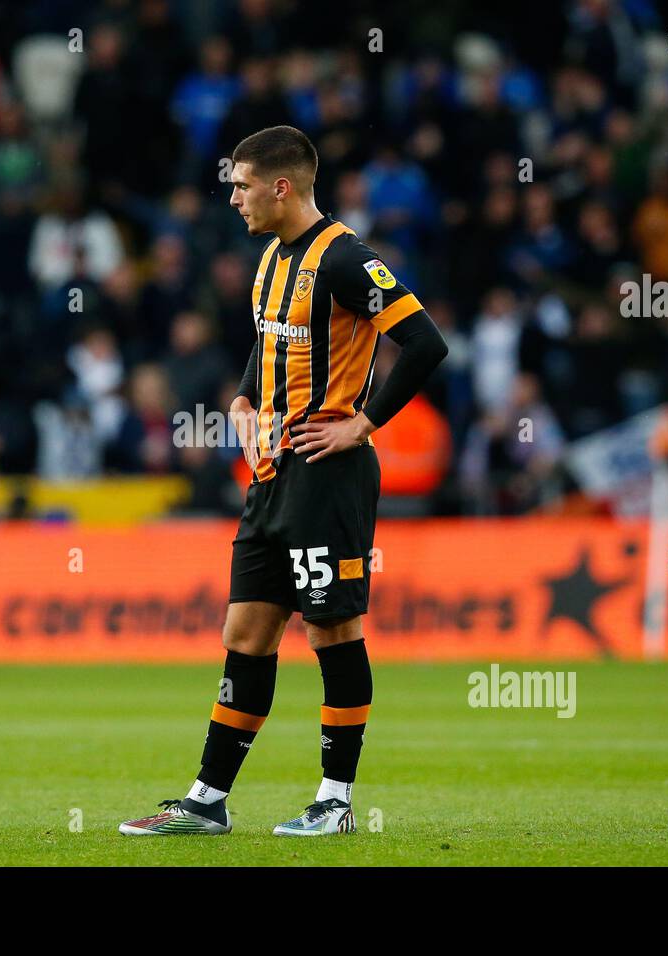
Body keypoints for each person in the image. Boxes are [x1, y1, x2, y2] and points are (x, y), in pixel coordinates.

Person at [119, 126, 448, 837]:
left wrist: (364, 424)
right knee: (246, 629)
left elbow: (424, 342)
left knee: (332, 629)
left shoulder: (346, 258)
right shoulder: (270, 260)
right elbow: (269, 343)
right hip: (271, 476)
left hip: (328, 474)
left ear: (281, 186)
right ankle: (207, 800)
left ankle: (336, 799)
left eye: (240, 184)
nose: (231, 196)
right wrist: (242, 401)